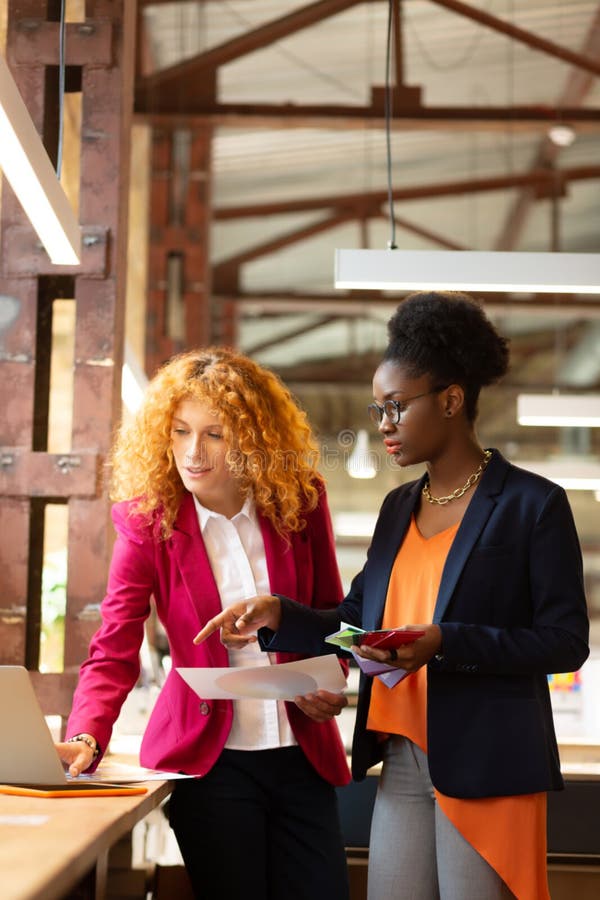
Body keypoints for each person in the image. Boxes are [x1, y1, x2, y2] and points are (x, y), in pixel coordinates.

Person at [195, 291, 590, 900]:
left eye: (397, 407)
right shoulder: (397, 508)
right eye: (377, 409)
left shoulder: (532, 506)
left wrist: (445, 641)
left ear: (452, 400)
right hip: (401, 756)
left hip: (487, 762)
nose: (383, 425)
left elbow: (564, 642)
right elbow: (357, 624)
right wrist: (280, 616)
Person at [56, 347, 351, 900]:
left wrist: (328, 677)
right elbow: (115, 644)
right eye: (180, 431)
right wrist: (85, 732)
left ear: (252, 438)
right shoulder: (150, 523)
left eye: (215, 434)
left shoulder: (301, 503)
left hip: (301, 756)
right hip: (209, 766)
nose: (194, 452)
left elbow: (336, 619)